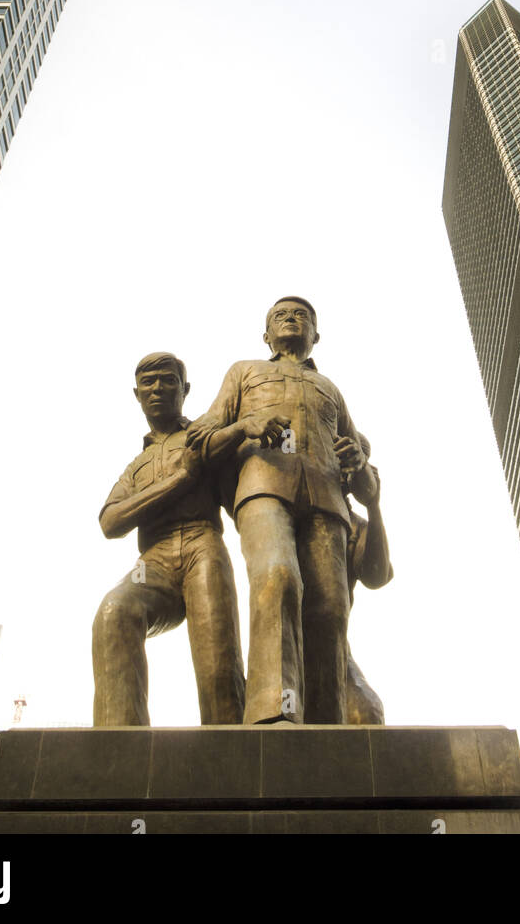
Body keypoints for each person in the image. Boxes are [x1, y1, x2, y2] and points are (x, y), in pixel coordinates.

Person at [186, 297, 368, 724]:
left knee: (330, 607)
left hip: (327, 501)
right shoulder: (245, 372)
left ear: (316, 336)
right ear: (266, 335)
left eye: (302, 315)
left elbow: (359, 454)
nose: (291, 318)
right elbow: (199, 437)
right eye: (280, 315)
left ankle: (328, 726)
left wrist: (356, 459)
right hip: (263, 488)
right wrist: (243, 426)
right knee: (277, 576)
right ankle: (273, 711)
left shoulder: (331, 390)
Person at [92, 351, 253, 726]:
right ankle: (121, 751)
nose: (158, 389)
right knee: (114, 612)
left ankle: (230, 760)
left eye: (168, 380)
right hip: (153, 561)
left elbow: (243, 501)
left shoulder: (206, 438)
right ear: (137, 394)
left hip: (203, 547)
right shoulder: (136, 465)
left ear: (186, 389)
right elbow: (110, 521)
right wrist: (182, 479)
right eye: (148, 382)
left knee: (218, 667)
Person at [341, 441, 393, 724]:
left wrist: (373, 504)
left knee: (366, 713)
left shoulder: (355, 525)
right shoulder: (290, 505)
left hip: (335, 645)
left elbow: (376, 576)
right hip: (284, 642)